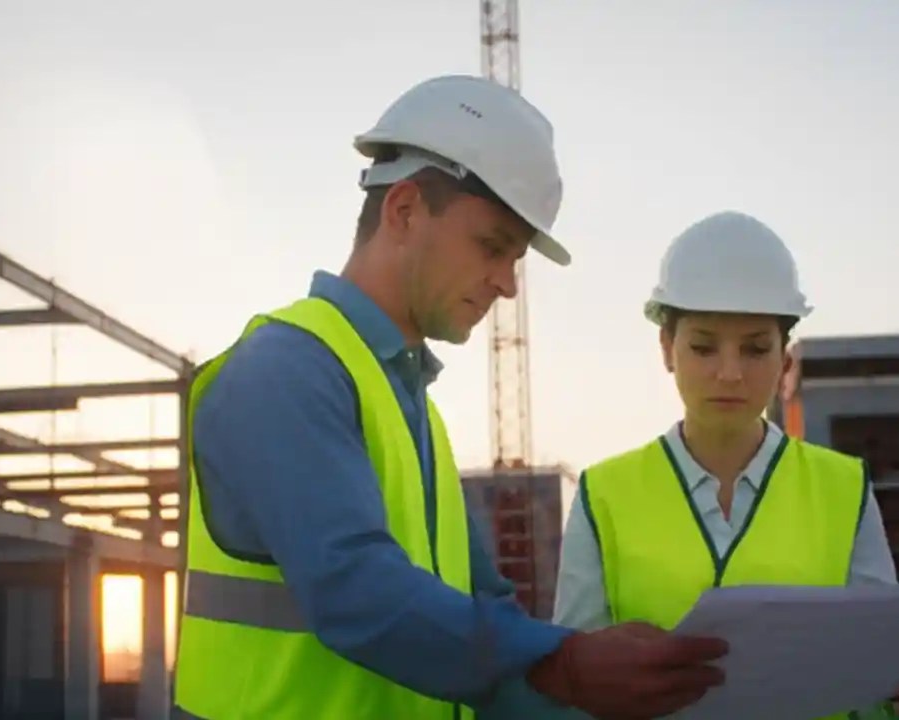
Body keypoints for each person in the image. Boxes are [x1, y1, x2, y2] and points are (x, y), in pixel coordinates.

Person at [169, 74, 729, 720]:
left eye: (515, 258)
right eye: (493, 248)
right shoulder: (283, 371)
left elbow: (486, 620)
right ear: (404, 210)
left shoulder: (414, 414)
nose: (507, 286)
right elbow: (357, 592)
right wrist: (569, 664)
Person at [552, 211, 899, 720]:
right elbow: (575, 697)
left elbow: (875, 691)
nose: (729, 373)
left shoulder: (845, 490)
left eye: (755, 349)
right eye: (704, 347)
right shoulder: (604, 495)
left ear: (785, 361)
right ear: (667, 349)